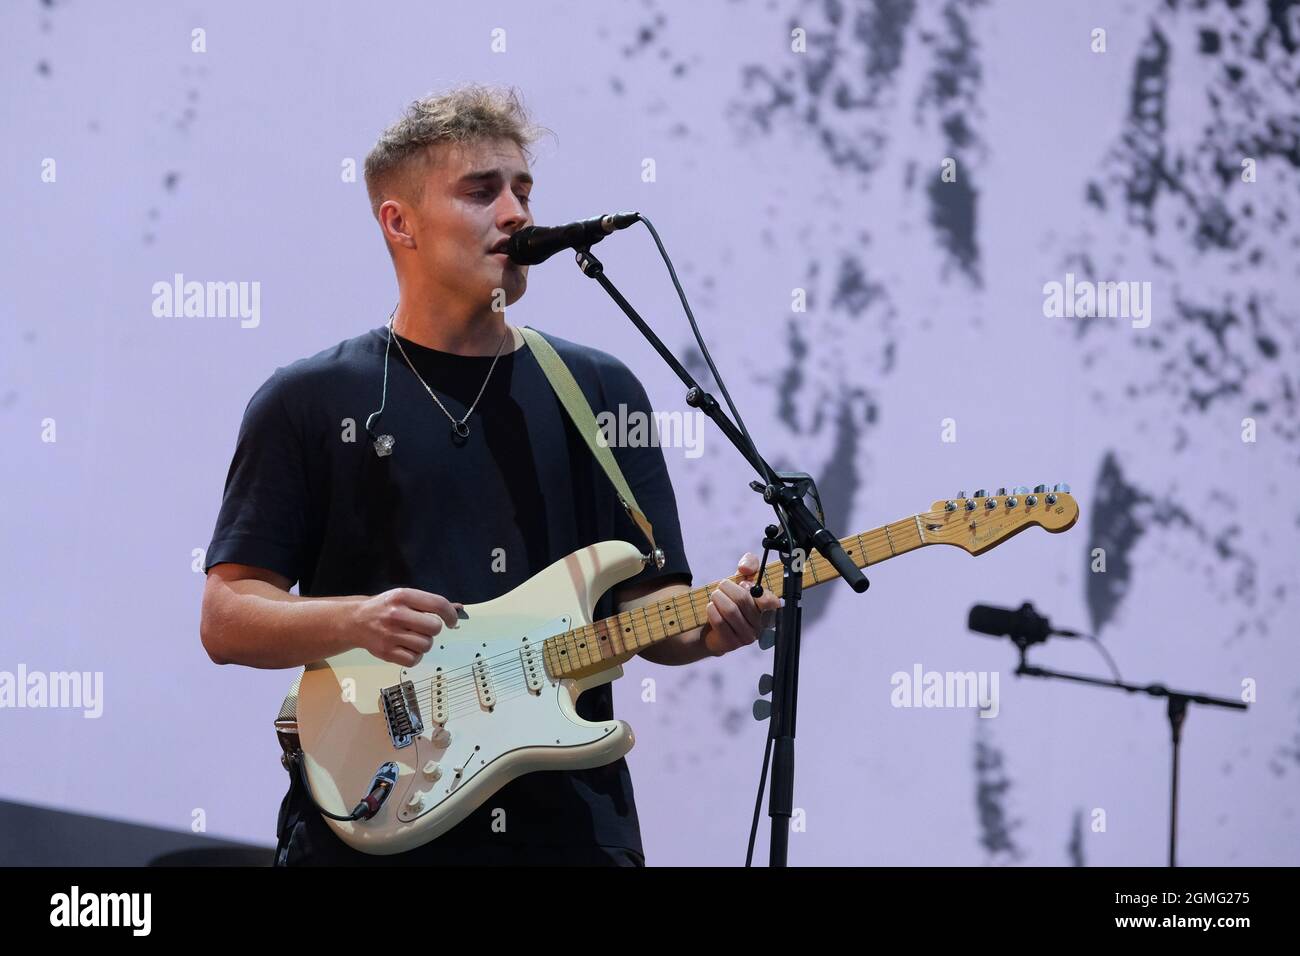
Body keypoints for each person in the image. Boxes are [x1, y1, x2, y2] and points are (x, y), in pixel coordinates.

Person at [199, 85, 781, 866]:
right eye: (482, 191)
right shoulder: (308, 398)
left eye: (524, 191)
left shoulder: (602, 391)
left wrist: (709, 627)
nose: (515, 213)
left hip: (571, 830)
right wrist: (355, 621)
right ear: (398, 222)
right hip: (374, 820)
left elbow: (653, 606)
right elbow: (227, 616)